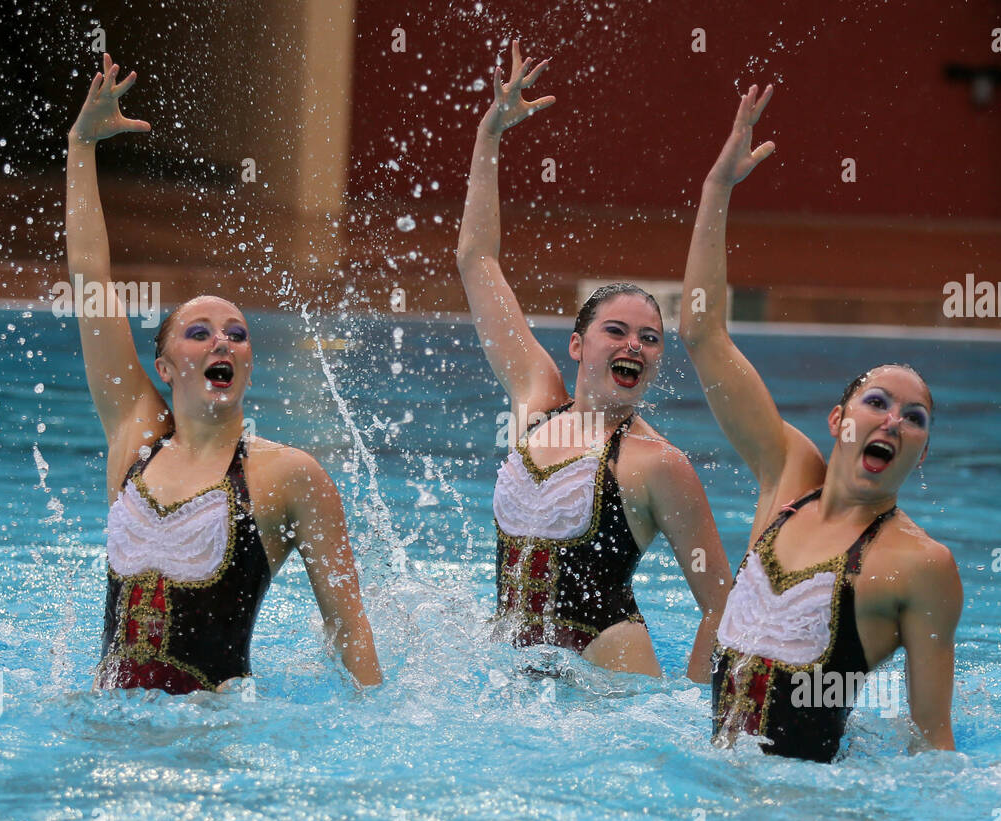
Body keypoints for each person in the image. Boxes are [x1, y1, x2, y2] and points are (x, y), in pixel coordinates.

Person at [66, 54, 382, 693]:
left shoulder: (288, 475)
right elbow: (91, 284)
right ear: (165, 365)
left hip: (212, 740)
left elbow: (347, 625)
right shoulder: (135, 436)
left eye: (237, 335)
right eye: (200, 332)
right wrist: (80, 148)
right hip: (103, 727)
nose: (223, 343)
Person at [681, 84, 961, 760]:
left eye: (914, 417)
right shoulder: (786, 478)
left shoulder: (920, 566)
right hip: (708, 789)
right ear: (839, 420)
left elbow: (931, 743)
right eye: (878, 403)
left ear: (918, 453)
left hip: (811, 818)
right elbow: (701, 331)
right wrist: (717, 186)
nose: (893, 420)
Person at [456, 41, 730, 680]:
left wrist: (690, 713)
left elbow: (722, 606)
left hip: (609, 690)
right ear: (578, 345)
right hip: (514, 677)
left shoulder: (660, 466)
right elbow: (476, 260)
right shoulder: (535, 400)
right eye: (617, 331)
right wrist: (487, 138)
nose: (634, 345)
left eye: (650, 338)